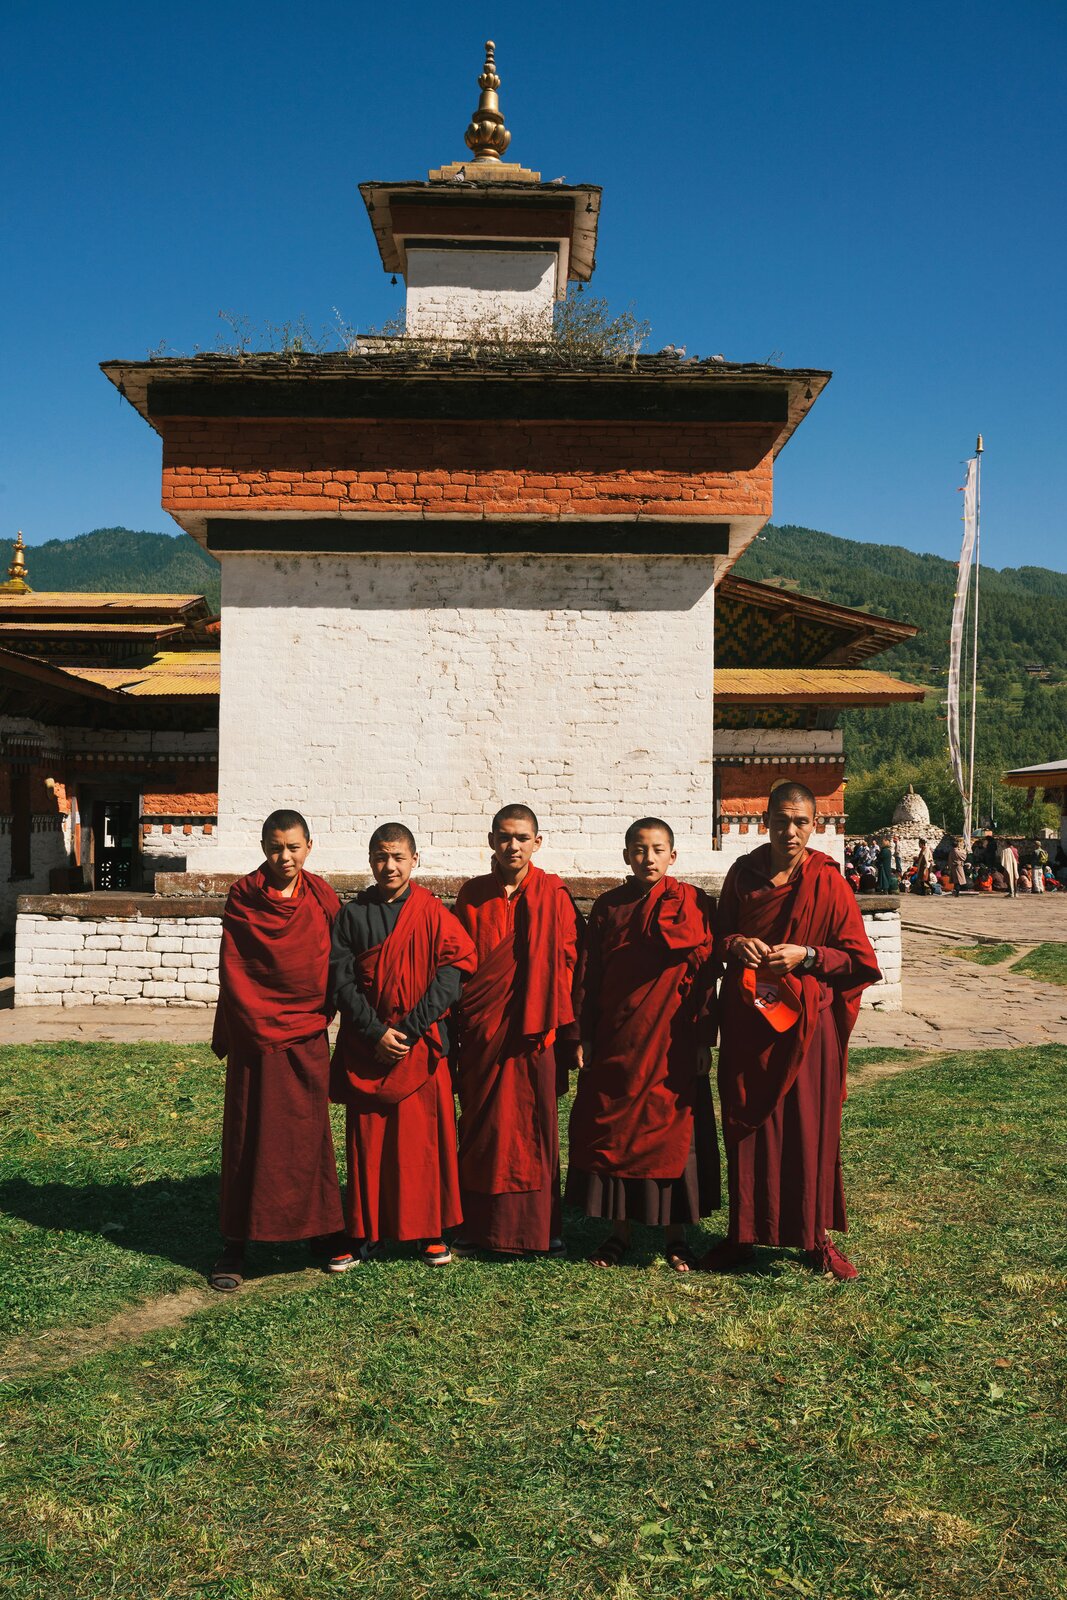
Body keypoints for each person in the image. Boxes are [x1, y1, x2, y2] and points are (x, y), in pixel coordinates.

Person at [705, 781, 881, 1281]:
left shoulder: (828, 879)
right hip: (748, 1020)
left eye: (801, 822)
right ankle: (742, 1235)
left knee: (810, 1128)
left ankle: (813, 1239)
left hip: (806, 1023)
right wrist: (738, 943)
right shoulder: (744, 873)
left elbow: (857, 959)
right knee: (746, 1123)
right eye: (781, 821)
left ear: (815, 824)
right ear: (766, 821)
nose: (790, 831)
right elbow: (717, 938)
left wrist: (807, 955)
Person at [566, 817, 718, 1272]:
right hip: (618, 1038)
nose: (647, 858)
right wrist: (584, 1034)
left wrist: (704, 1038)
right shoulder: (609, 907)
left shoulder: (692, 902)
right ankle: (618, 1233)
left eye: (657, 849)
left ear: (673, 856)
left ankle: (676, 1237)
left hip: (672, 1040)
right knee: (614, 1132)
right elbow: (589, 976)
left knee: (671, 1136)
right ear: (626, 854)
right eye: (638, 849)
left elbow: (706, 976)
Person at [328, 824, 477, 1268]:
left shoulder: (432, 912)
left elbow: (452, 973)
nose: (388, 866)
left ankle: (429, 1231)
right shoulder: (352, 915)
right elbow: (341, 980)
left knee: (423, 1144)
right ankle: (366, 1233)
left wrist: (409, 1031)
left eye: (398, 857)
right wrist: (375, 1032)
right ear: (370, 860)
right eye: (380, 857)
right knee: (368, 1143)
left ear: (415, 860)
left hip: (420, 1046)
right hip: (368, 1047)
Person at [210, 809, 344, 1292]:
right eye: (274, 847)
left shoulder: (323, 897)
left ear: (309, 846)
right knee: (248, 1133)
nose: (283, 857)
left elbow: (335, 962)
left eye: (292, 847)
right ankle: (236, 1243)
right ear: (263, 846)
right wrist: (253, 1020)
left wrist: (319, 1012)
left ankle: (321, 1232)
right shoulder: (244, 896)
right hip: (254, 1034)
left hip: (305, 1033)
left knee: (307, 1134)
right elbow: (236, 968)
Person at [451, 805, 582, 1256]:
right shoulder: (472, 895)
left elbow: (569, 966)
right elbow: (458, 965)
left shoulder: (554, 894)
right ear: (491, 841)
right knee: (481, 1126)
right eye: (505, 837)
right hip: (484, 1031)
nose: (513, 846)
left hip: (535, 1034)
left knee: (534, 1128)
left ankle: (540, 1230)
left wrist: (569, 1034)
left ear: (537, 843)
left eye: (522, 838)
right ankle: (477, 1228)